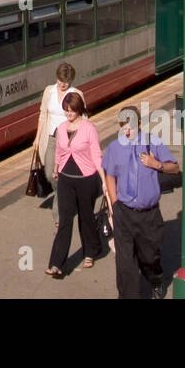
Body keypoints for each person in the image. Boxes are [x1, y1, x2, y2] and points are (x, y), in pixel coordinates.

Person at [103, 106, 180, 299]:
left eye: (130, 126)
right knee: (125, 264)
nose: (126, 131)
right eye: (122, 127)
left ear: (139, 124)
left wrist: (157, 165)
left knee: (149, 257)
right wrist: (114, 205)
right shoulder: (114, 148)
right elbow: (110, 176)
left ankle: (156, 279)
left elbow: (175, 168)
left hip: (149, 215)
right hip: (124, 213)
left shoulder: (153, 142)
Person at [45, 92, 105, 278]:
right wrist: (55, 169)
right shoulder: (61, 128)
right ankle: (56, 263)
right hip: (66, 178)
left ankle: (90, 252)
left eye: (71, 110)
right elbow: (60, 152)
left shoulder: (89, 129)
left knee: (86, 218)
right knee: (65, 220)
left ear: (79, 110)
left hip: (86, 178)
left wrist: (103, 180)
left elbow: (96, 154)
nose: (68, 113)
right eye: (66, 110)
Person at [33, 62, 81, 222]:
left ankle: (58, 214)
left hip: (69, 140)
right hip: (52, 139)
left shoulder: (76, 94)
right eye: (60, 81)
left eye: (65, 82)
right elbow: (43, 115)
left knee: (60, 174)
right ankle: (66, 193)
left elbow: (84, 119)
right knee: (49, 174)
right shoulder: (49, 91)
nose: (62, 85)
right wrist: (37, 138)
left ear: (71, 81)